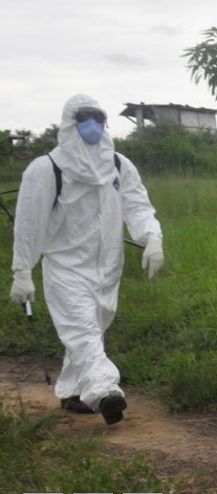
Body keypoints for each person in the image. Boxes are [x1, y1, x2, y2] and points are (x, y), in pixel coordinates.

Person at [9, 94, 165, 426]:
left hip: (109, 267)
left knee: (91, 329)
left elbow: (137, 205)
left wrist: (152, 237)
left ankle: (71, 391)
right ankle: (106, 392)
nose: (92, 125)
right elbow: (28, 223)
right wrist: (22, 270)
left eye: (98, 117)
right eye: (84, 118)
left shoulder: (119, 165)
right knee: (82, 330)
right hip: (65, 267)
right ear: (69, 123)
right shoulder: (47, 169)